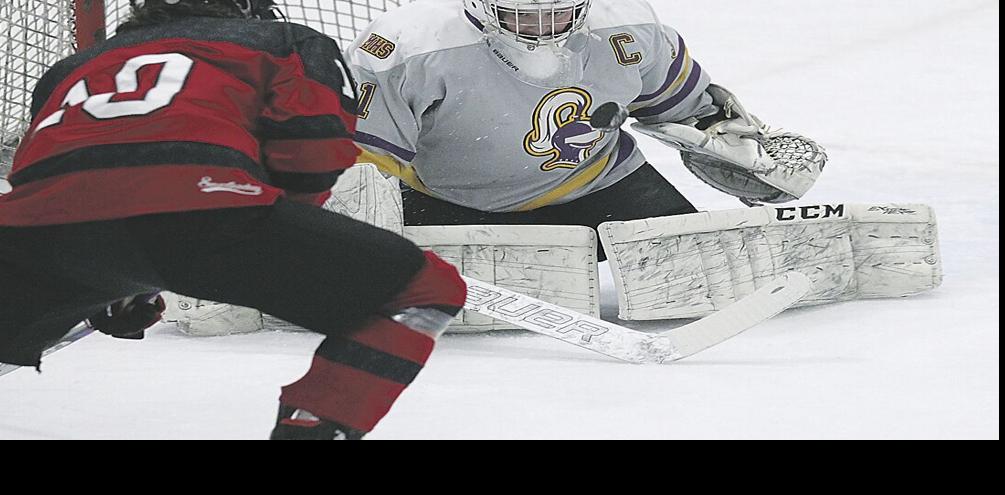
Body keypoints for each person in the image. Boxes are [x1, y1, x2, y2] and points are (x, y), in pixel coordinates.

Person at [0, 0, 466, 440]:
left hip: (30, 227)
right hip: (209, 215)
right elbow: (312, 158)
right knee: (425, 289)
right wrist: (254, 244)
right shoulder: (285, 41)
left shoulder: (74, 66)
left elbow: (58, 174)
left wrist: (118, 279)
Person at [348, 0, 823, 246]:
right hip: (443, 200)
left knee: (703, 270)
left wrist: (737, 151)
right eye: (524, 14)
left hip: (598, 186)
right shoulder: (408, 46)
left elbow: (689, 110)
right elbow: (363, 164)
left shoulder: (630, 28)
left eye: (560, 11)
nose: (546, 27)